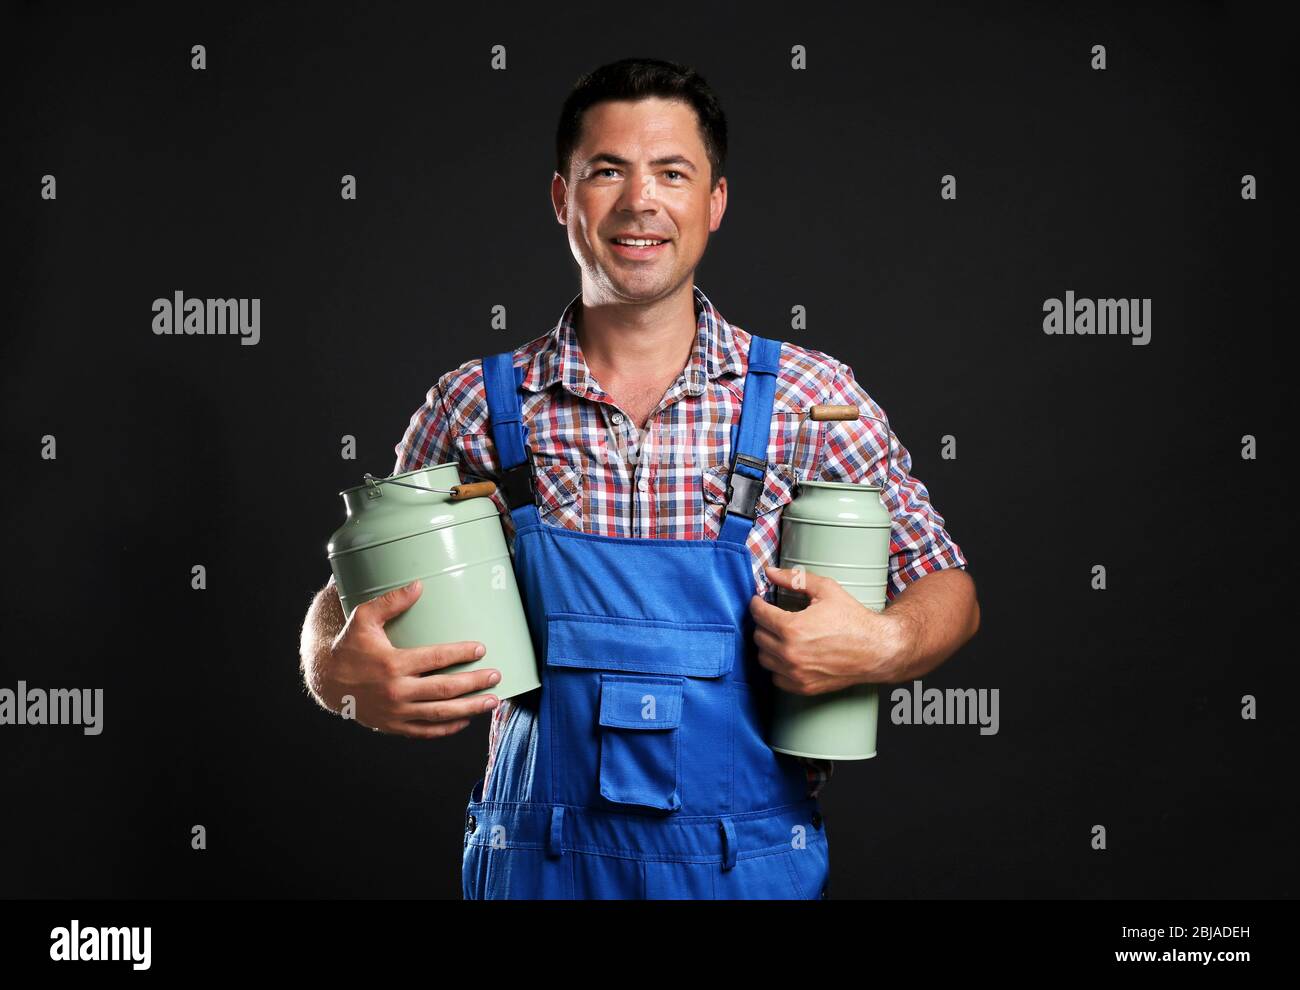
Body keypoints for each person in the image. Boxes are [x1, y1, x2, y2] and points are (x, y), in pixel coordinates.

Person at [299, 57, 979, 899]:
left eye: (672, 173)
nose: (639, 201)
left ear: (714, 203)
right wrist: (332, 671)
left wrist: (884, 643)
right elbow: (351, 593)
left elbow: (944, 585)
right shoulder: (475, 405)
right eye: (607, 172)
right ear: (563, 198)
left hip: (743, 867)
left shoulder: (813, 398)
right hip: (537, 866)